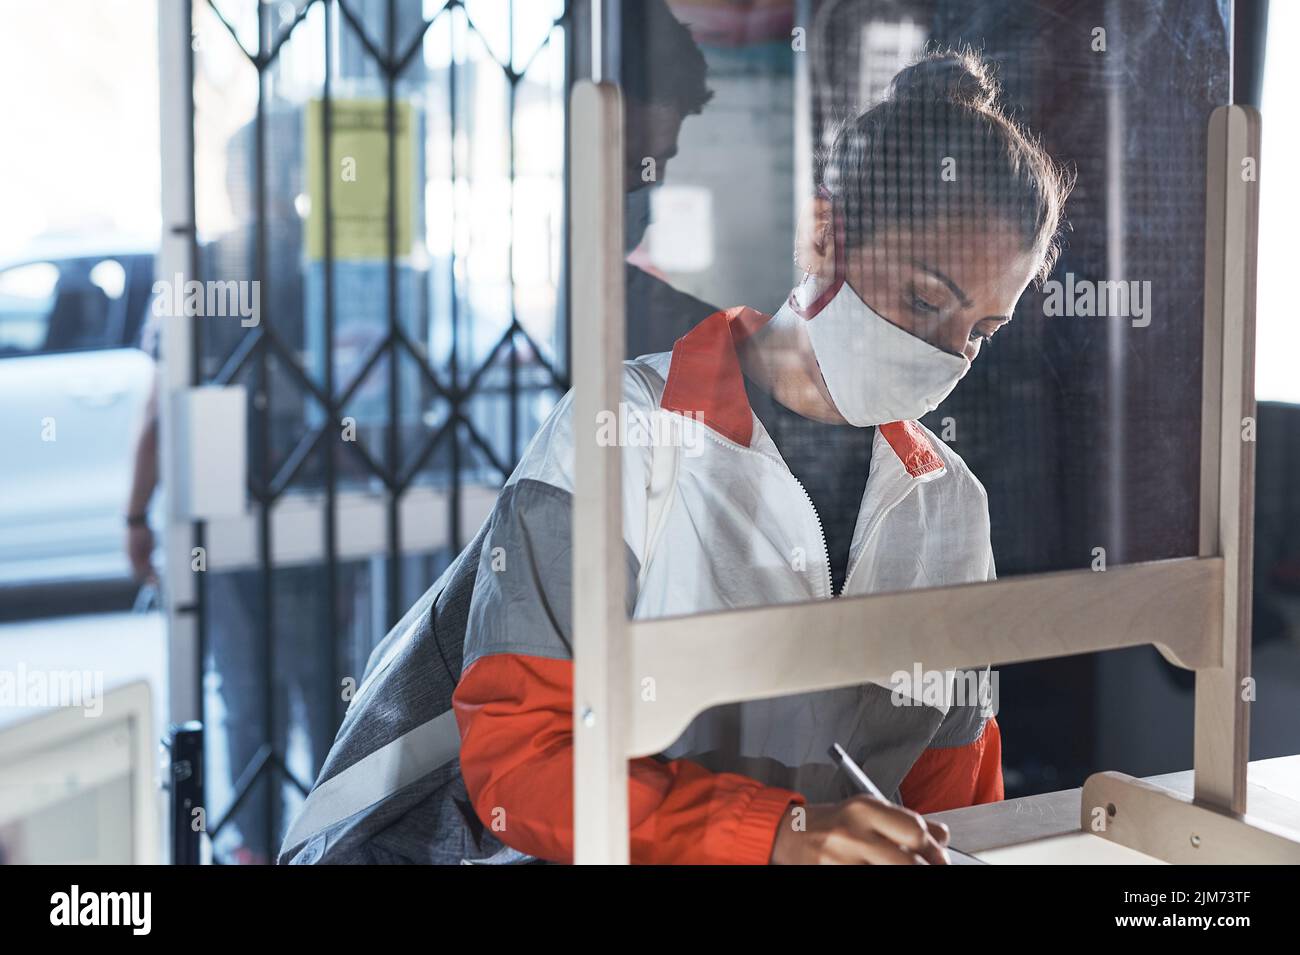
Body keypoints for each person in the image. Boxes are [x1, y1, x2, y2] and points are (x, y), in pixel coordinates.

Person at [281, 48, 1072, 865]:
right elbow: (520, 760)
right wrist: (773, 833)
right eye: (925, 300)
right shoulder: (620, 435)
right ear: (824, 234)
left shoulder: (951, 504)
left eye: (981, 331)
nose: (946, 353)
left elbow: (951, 799)